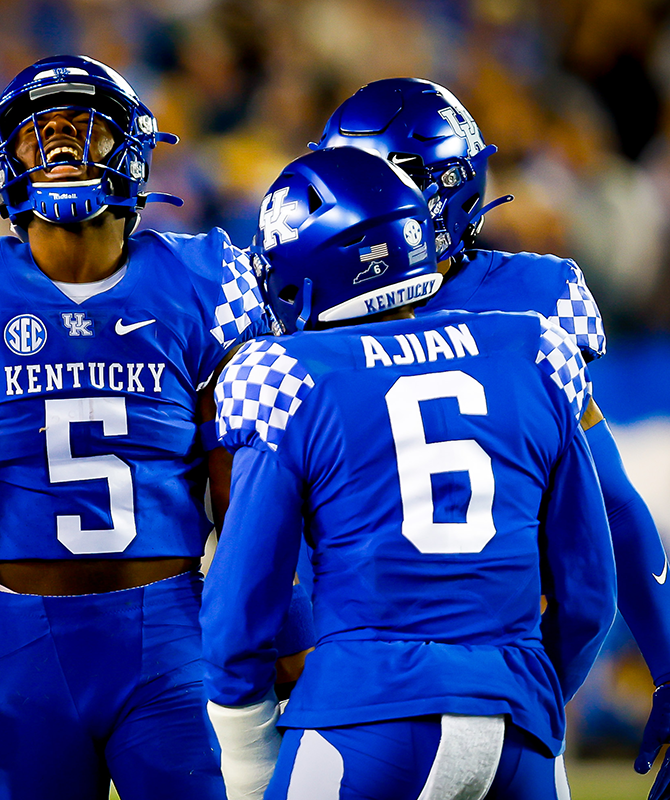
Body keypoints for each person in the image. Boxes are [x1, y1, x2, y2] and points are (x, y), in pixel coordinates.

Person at [314, 77, 670, 800]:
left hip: (375, 688)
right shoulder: (319, 290)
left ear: (441, 189)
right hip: (452, 681)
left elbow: (612, 506)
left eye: (374, 175)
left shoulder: (532, 299)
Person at [0, 55, 270, 800]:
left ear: (131, 150)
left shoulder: (204, 281)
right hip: (26, 645)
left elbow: (250, 506)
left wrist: (275, 638)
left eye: (81, 124)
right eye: (39, 131)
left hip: (172, 640)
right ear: (5, 159)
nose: (59, 141)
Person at [202, 145, 618, 799]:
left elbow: (242, 609)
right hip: (517, 725)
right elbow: (590, 593)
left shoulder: (287, 375)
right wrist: (518, 693)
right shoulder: (535, 348)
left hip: (366, 717)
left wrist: (247, 756)